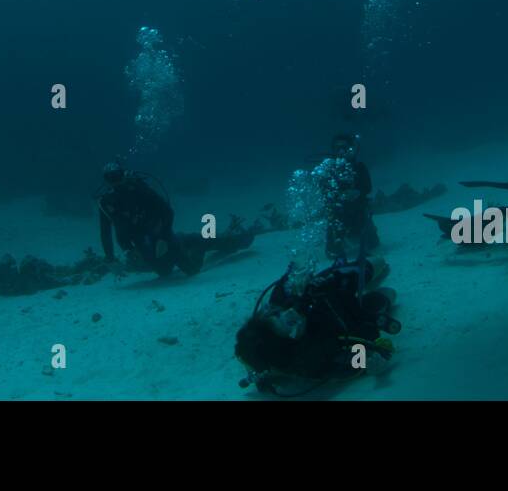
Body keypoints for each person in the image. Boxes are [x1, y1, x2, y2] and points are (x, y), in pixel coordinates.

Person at [236, 258, 399, 396]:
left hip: (330, 289)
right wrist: (374, 364)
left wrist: (297, 273)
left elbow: (289, 279)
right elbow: (357, 359)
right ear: (292, 340)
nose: (289, 313)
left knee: (377, 263)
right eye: (289, 323)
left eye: (276, 314)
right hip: (353, 316)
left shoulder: (279, 306)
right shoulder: (314, 358)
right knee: (388, 294)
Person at [96, 161, 252, 277]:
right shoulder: (106, 203)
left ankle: (203, 242)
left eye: (117, 176)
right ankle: (184, 240)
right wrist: (111, 259)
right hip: (139, 243)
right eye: (110, 178)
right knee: (164, 271)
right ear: (106, 181)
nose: (115, 181)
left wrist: (163, 237)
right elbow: (105, 233)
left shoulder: (139, 190)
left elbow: (167, 211)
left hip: (159, 233)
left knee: (191, 269)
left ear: (123, 175)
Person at [323, 134, 379, 260]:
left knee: (373, 244)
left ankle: (357, 234)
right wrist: (339, 196)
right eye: (337, 148)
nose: (340, 151)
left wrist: (357, 192)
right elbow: (324, 192)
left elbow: (368, 188)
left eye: (344, 147)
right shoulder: (328, 170)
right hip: (338, 215)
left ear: (350, 149)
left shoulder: (360, 167)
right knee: (331, 253)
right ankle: (345, 238)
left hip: (358, 211)